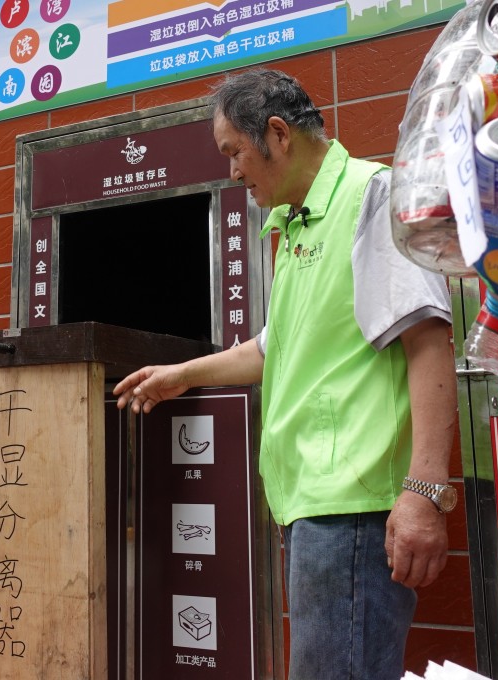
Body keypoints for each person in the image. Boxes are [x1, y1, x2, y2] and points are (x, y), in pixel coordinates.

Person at [113, 69, 457, 680]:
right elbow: (274, 347)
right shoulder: (297, 226)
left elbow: (429, 341)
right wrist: (182, 375)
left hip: (354, 509)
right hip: (314, 506)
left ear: (277, 134)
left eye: (234, 152)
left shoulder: (371, 196)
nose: (232, 172)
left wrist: (424, 492)